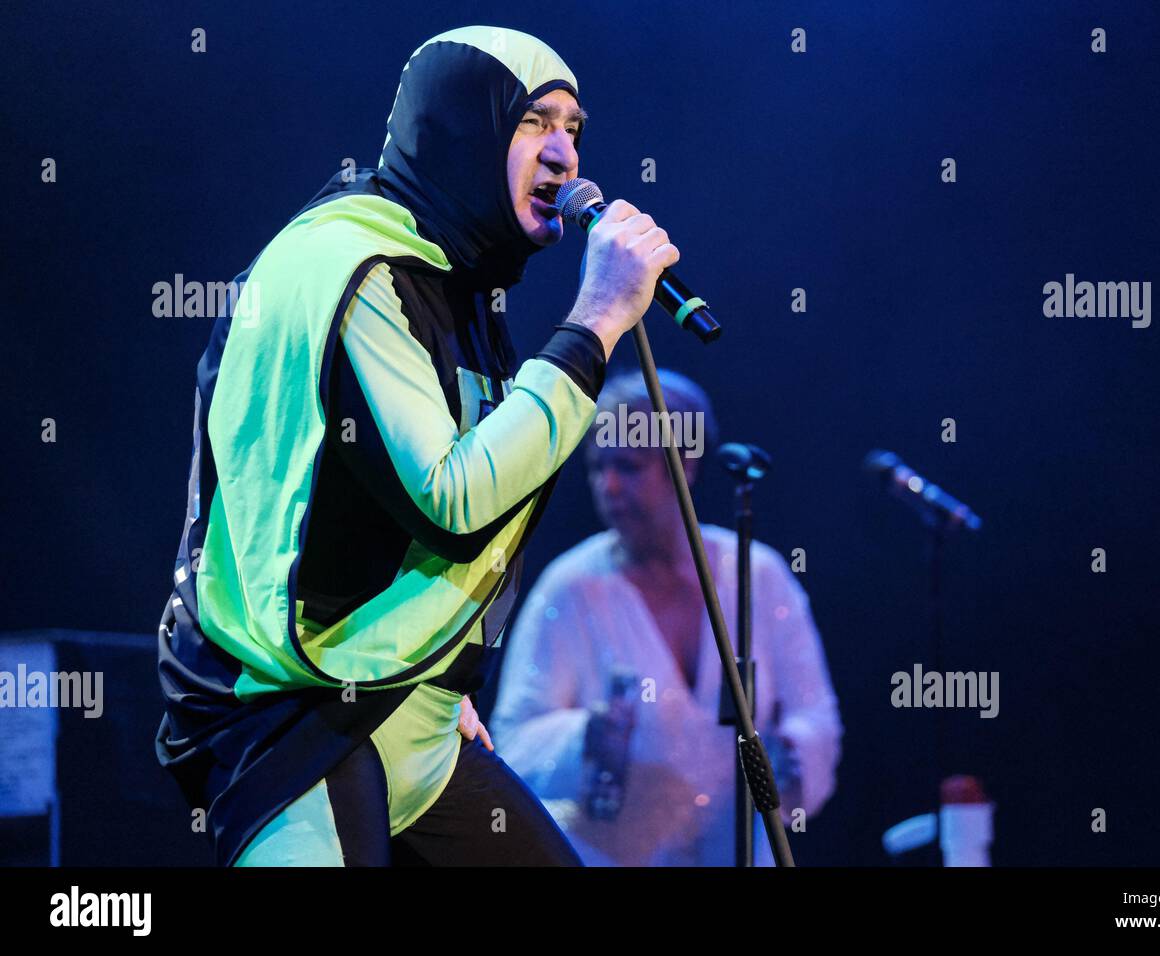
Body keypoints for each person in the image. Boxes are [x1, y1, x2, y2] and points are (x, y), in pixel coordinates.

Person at [154, 25, 680, 867]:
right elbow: (453, 499)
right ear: (460, 126)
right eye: (533, 123)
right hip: (294, 716)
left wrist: (437, 671)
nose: (563, 157)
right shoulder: (351, 264)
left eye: (574, 130)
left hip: (407, 715)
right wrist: (597, 322)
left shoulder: (453, 283)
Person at [492, 370, 842, 865]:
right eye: (597, 467)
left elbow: (816, 714)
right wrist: (586, 737)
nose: (608, 485)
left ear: (687, 464)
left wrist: (793, 753)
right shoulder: (570, 588)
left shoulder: (756, 574)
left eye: (629, 466)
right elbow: (513, 740)